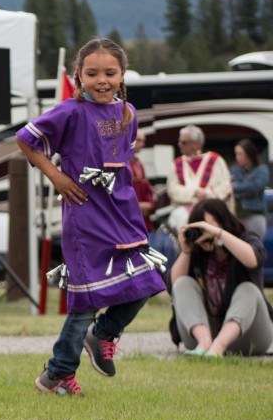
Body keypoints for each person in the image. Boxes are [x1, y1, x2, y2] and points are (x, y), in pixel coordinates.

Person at [16, 38, 167, 396]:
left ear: (122, 74)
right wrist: (56, 176)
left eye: (110, 73)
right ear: (78, 76)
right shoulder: (70, 111)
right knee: (86, 301)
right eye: (92, 73)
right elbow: (27, 140)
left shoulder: (127, 113)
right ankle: (57, 375)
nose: (102, 80)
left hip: (123, 213)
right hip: (85, 216)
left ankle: (102, 336)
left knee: (148, 280)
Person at [170, 198, 273, 356]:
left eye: (207, 227)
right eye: (199, 228)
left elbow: (254, 259)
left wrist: (219, 235)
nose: (203, 234)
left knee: (248, 289)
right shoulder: (196, 250)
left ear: (223, 222)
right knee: (183, 283)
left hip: (250, 337)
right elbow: (175, 285)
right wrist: (186, 251)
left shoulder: (245, 238)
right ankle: (205, 344)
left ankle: (218, 347)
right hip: (203, 338)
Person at [166, 125, 234, 230]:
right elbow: (172, 189)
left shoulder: (215, 160)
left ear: (195, 144)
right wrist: (195, 193)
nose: (179, 145)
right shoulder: (177, 164)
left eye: (183, 142)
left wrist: (208, 194)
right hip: (184, 216)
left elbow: (226, 186)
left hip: (212, 213)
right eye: (179, 141)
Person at [229, 139, 269, 240]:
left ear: (249, 154)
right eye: (236, 154)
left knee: (254, 245)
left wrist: (235, 186)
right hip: (236, 214)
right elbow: (228, 185)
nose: (237, 157)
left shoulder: (261, 169)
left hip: (254, 213)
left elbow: (256, 186)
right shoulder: (234, 170)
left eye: (240, 154)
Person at [129, 130, 155, 233]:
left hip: (140, 218)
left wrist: (149, 204)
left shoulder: (139, 164)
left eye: (143, 141)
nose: (142, 144)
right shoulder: (120, 163)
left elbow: (146, 189)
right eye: (139, 140)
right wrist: (135, 205)